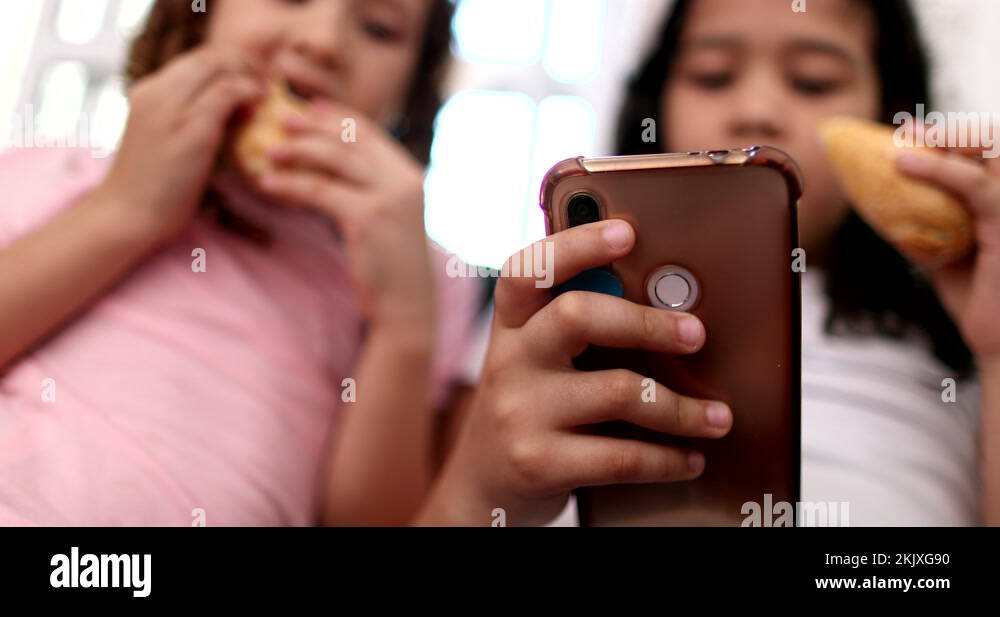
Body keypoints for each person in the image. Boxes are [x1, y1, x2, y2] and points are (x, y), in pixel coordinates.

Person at [418, 0, 1000, 526]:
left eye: (813, 82)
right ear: (657, 101)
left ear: (888, 110)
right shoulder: (559, 314)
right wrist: (477, 493)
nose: (756, 111)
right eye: (713, 75)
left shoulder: (956, 340)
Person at [0, 0, 479, 526]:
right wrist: (125, 209)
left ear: (411, 92)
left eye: (379, 28)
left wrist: (403, 327)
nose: (321, 41)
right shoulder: (49, 173)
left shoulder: (418, 278)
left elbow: (366, 521)